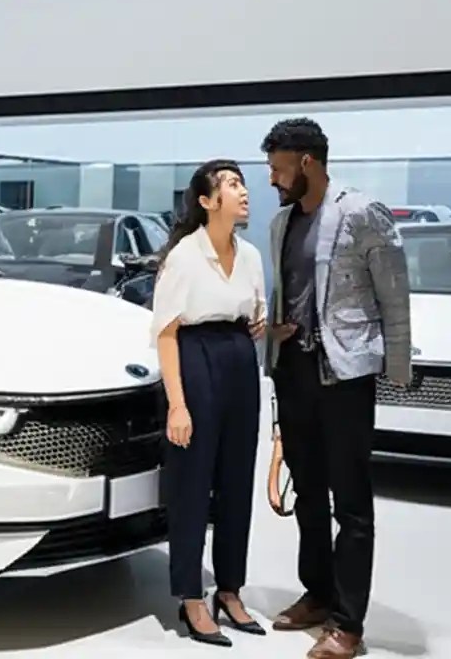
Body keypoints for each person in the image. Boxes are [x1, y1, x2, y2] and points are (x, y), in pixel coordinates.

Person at [260, 118, 411, 659]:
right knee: (307, 495)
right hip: (294, 373)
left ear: (307, 161)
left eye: (278, 168)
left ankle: (348, 623)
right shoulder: (281, 223)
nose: (272, 180)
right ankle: (318, 594)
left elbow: (394, 294)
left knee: (351, 503)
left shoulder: (361, 212)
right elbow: (288, 291)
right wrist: (274, 339)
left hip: (345, 377)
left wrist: (396, 369)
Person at [150, 159, 268, 648]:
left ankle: (230, 590)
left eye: (242, 183)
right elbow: (165, 333)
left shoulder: (251, 255)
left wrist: (260, 324)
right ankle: (190, 597)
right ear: (206, 200)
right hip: (195, 356)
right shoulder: (184, 256)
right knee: (192, 483)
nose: (243, 192)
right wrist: (177, 405)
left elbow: (256, 313)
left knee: (237, 481)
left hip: (240, 358)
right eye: (232, 184)